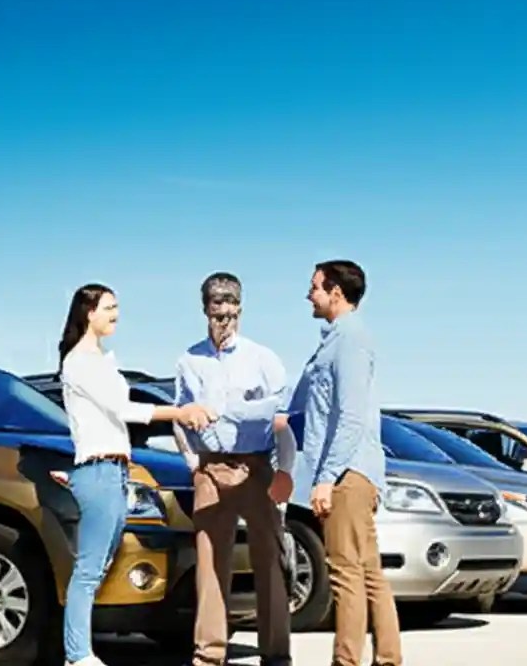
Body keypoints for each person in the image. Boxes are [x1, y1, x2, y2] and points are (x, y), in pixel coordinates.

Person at [55, 283, 215, 666]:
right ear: (88, 312)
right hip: (98, 470)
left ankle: (80, 651)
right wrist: (178, 413)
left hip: (116, 471)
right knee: (90, 568)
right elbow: (121, 408)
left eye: (117, 306)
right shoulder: (78, 362)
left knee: (102, 561)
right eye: (109, 307)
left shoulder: (103, 359)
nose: (116, 314)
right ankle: (77, 655)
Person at [279, 260, 401, 666]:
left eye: (314, 287)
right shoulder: (332, 341)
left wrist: (326, 478)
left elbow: (350, 416)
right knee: (366, 574)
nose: (307, 294)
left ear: (335, 291)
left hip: (348, 473)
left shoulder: (350, 340)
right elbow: (297, 404)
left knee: (345, 573)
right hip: (351, 470)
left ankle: (346, 661)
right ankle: (387, 658)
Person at [171, 272, 296, 666]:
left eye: (230, 303)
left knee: (269, 563)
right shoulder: (189, 360)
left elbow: (282, 418)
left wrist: (283, 472)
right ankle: (209, 655)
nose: (223, 311)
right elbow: (179, 415)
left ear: (241, 306)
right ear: (204, 307)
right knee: (209, 566)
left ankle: (275, 654)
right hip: (210, 469)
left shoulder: (263, 359)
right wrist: (193, 463)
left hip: (256, 468)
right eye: (215, 303)